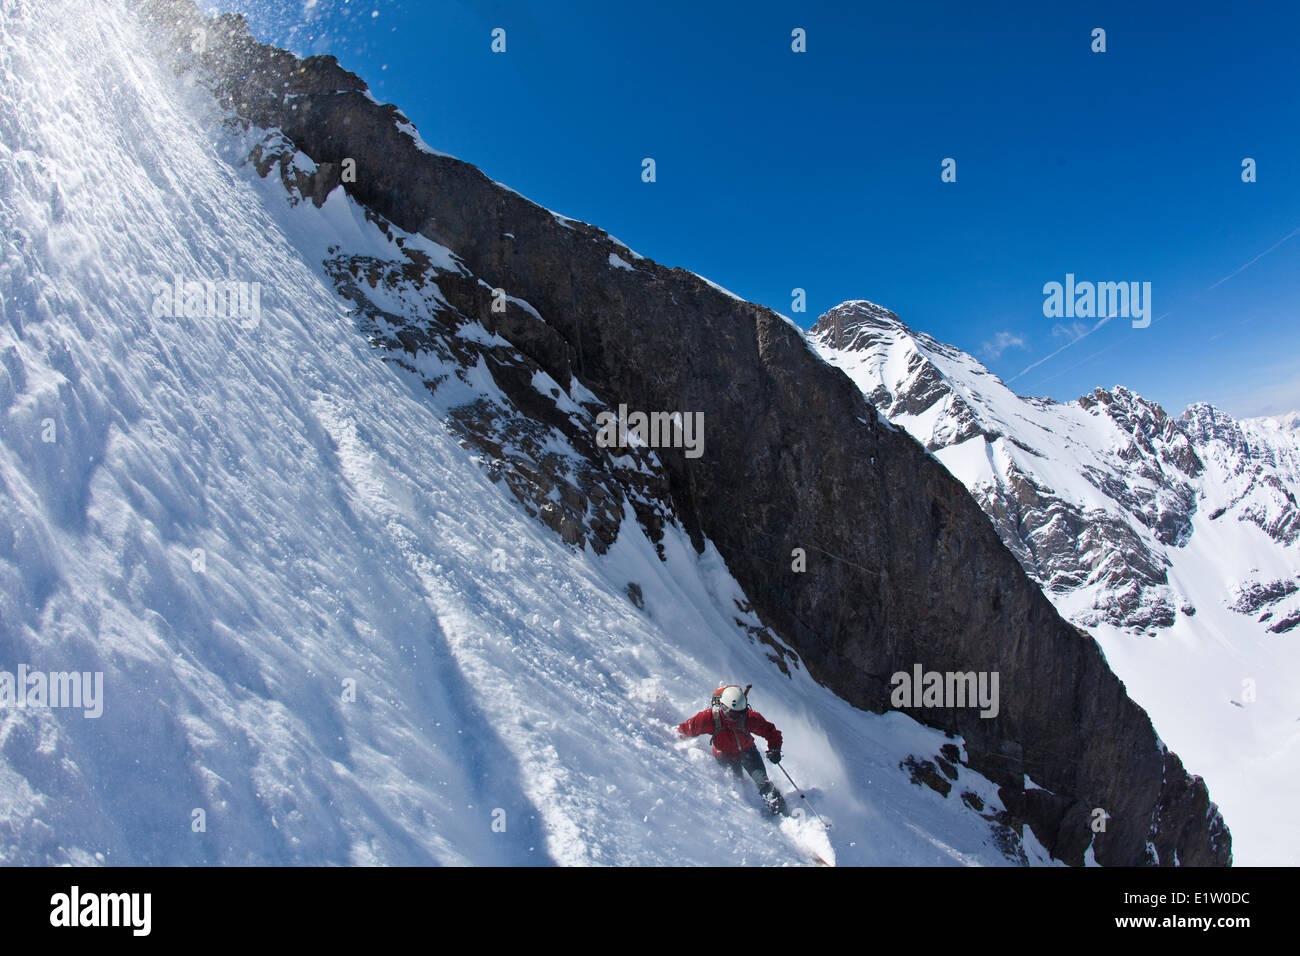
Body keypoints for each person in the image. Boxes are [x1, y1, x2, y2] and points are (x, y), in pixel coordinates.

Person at [678, 684, 787, 815]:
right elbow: (685, 729)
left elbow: (771, 732)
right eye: (732, 714)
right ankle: (747, 811)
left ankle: (782, 812)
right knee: (737, 784)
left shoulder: (749, 718)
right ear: (723, 707)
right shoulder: (709, 718)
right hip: (724, 756)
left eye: (740, 714)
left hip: (747, 751)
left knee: (762, 782)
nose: (736, 718)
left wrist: (775, 749)